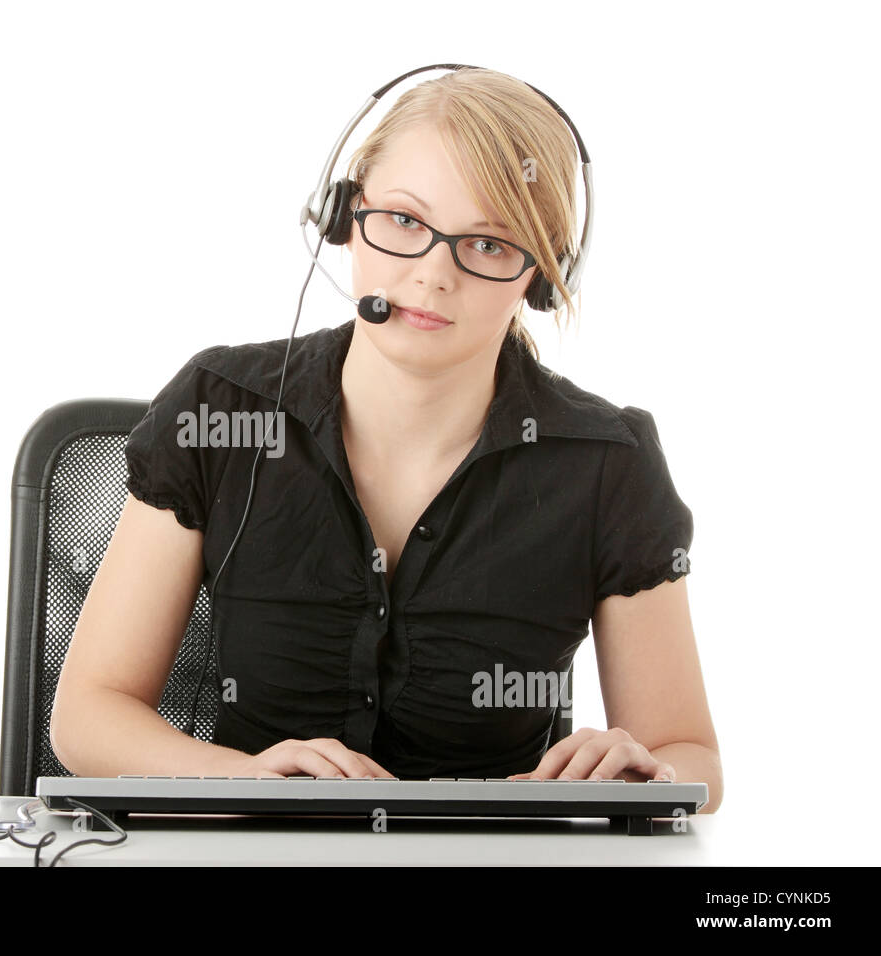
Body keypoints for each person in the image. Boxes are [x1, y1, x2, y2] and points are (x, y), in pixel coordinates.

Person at [50, 68, 723, 811]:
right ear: (344, 214)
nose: (435, 275)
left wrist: (641, 771)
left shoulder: (606, 464)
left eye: (491, 243)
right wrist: (249, 776)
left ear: (541, 272)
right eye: (404, 220)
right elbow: (88, 715)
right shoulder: (219, 409)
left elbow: (690, 758)